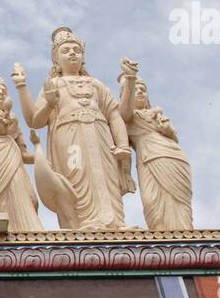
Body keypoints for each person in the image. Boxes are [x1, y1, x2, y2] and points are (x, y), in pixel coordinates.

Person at [12, 27, 131, 230]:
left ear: (83, 57)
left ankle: (115, 222)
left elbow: (114, 115)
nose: (72, 53)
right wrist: (35, 95)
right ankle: (83, 223)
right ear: (56, 59)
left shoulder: (96, 84)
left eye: (76, 49)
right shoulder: (54, 84)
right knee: (77, 174)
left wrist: (122, 145)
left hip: (100, 134)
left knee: (105, 175)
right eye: (65, 50)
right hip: (69, 138)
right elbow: (35, 121)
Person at [118, 58, 194, 230]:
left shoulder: (156, 114)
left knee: (179, 202)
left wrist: (167, 129)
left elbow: (174, 136)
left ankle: (184, 234)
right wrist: (130, 78)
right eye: (134, 90)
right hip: (149, 158)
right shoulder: (128, 117)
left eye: (143, 89)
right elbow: (124, 114)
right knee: (153, 202)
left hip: (173, 157)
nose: (140, 92)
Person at [0, 70, 43, 231]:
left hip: (13, 157)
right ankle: (9, 232)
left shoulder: (13, 119)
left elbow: (24, 155)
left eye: (3, 91)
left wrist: (43, 157)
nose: (0, 93)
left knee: (29, 198)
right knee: (2, 200)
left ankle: (29, 231)